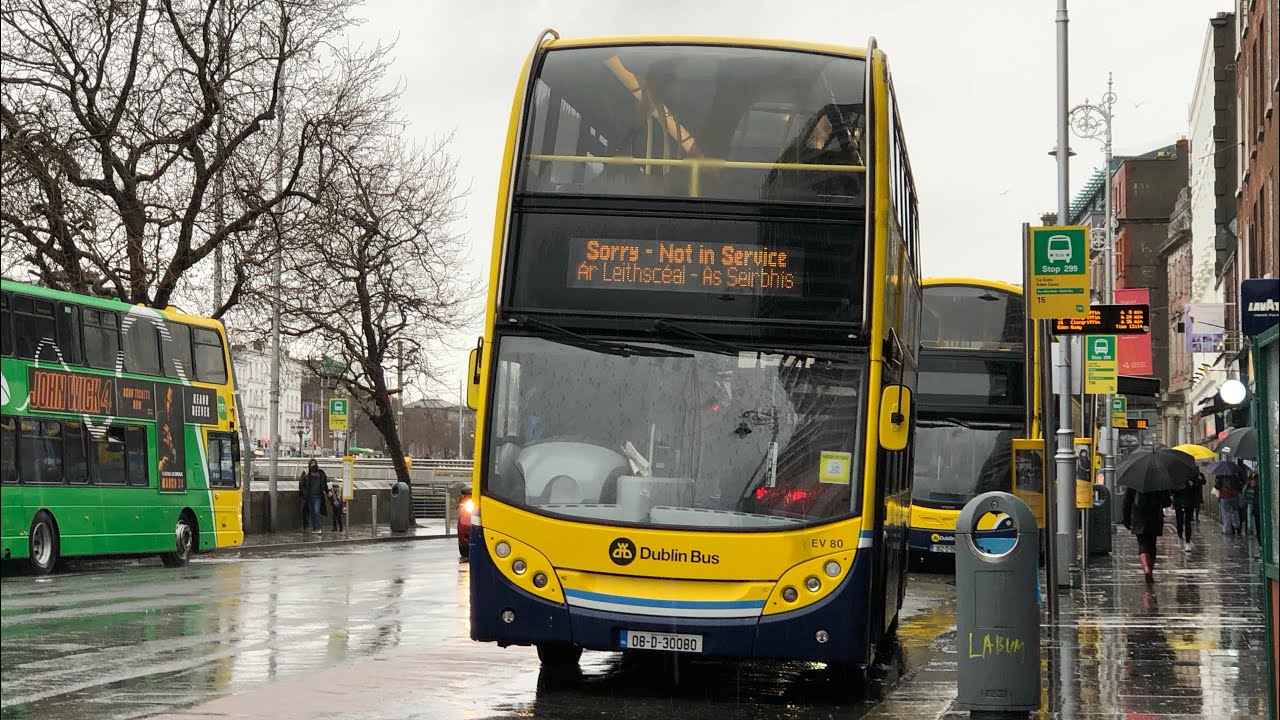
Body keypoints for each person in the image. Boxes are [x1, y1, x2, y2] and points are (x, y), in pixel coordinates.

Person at [1123, 487, 1172, 584]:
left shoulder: (1134, 482)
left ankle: (1145, 568)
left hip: (1139, 518)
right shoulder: (1159, 482)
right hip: (1154, 518)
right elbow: (1167, 502)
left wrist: (1126, 518)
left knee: (1142, 544)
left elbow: (1127, 501)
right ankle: (1150, 570)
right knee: (1152, 545)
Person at [298, 459, 328, 534]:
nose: (313, 465)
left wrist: (327, 491)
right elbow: (301, 484)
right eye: (312, 463)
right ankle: (314, 528)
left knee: (317, 511)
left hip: (318, 496)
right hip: (309, 497)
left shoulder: (321, 473)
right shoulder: (306, 472)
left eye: (314, 463)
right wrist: (305, 493)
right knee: (311, 512)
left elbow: (324, 484)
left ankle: (318, 527)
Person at [1172, 472, 1199, 551]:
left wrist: (1193, 484)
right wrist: (1179, 486)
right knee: (1179, 521)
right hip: (1178, 502)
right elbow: (1172, 490)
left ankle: (1188, 542)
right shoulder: (1175, 476)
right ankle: (1180, 537)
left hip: (1189, 502)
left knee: (1188, 522)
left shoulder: (1192, 474)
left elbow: (1198, 486)